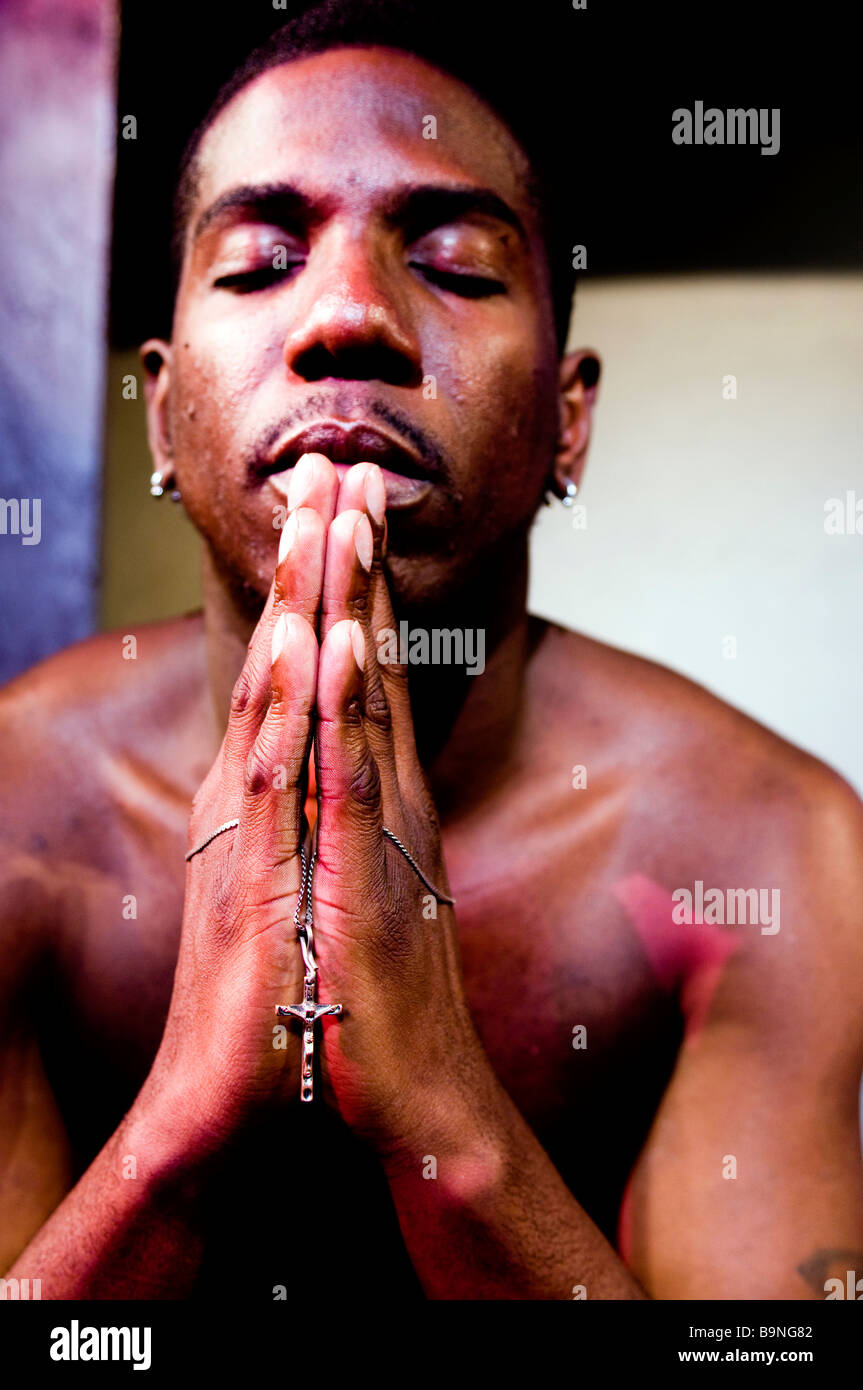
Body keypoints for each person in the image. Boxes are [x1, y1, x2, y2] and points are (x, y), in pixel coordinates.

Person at [2, 1, 862, 1301]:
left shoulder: (764, 843)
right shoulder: (16, 813)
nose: (350, 316)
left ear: (568, 426)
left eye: (456, 265)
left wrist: (444, 1117)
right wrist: (182, 1121)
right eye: (258, 263)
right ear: (164, 413)